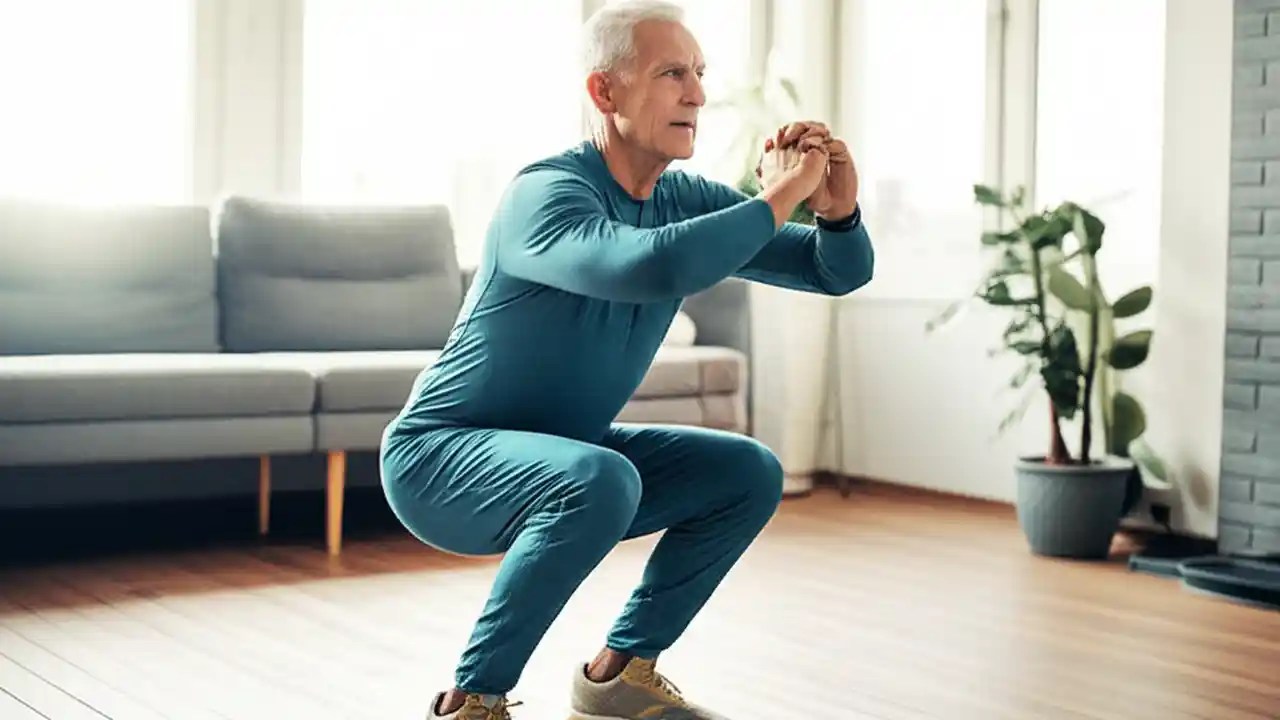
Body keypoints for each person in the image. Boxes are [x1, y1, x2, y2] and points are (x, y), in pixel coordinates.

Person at [378, 1, 874, 717]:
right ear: (604, 93)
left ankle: (617, 675)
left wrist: (836, 211)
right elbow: (648, 266)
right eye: (673, 73)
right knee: (599, 478)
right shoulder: (544, 193)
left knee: (746, 472)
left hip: (569, 455)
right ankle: (472, 702)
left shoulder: (681, 198)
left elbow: (836, 272)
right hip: (438, 459)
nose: (698, 94)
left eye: (700, 73)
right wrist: (781, 192)